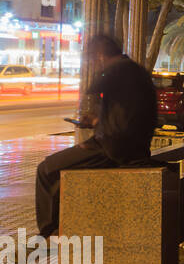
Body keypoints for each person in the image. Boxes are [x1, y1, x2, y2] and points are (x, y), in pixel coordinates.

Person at [34, 34, 158, 236]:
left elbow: (91, 89)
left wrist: (91, 137)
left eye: (93, 58)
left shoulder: (115, 70)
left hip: (113, 148)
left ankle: (50, 232)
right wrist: (94, 121)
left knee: (46, 169)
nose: (93, 63)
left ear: (100, 55)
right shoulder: (137, 71)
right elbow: (126, 112)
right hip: (136, 146)